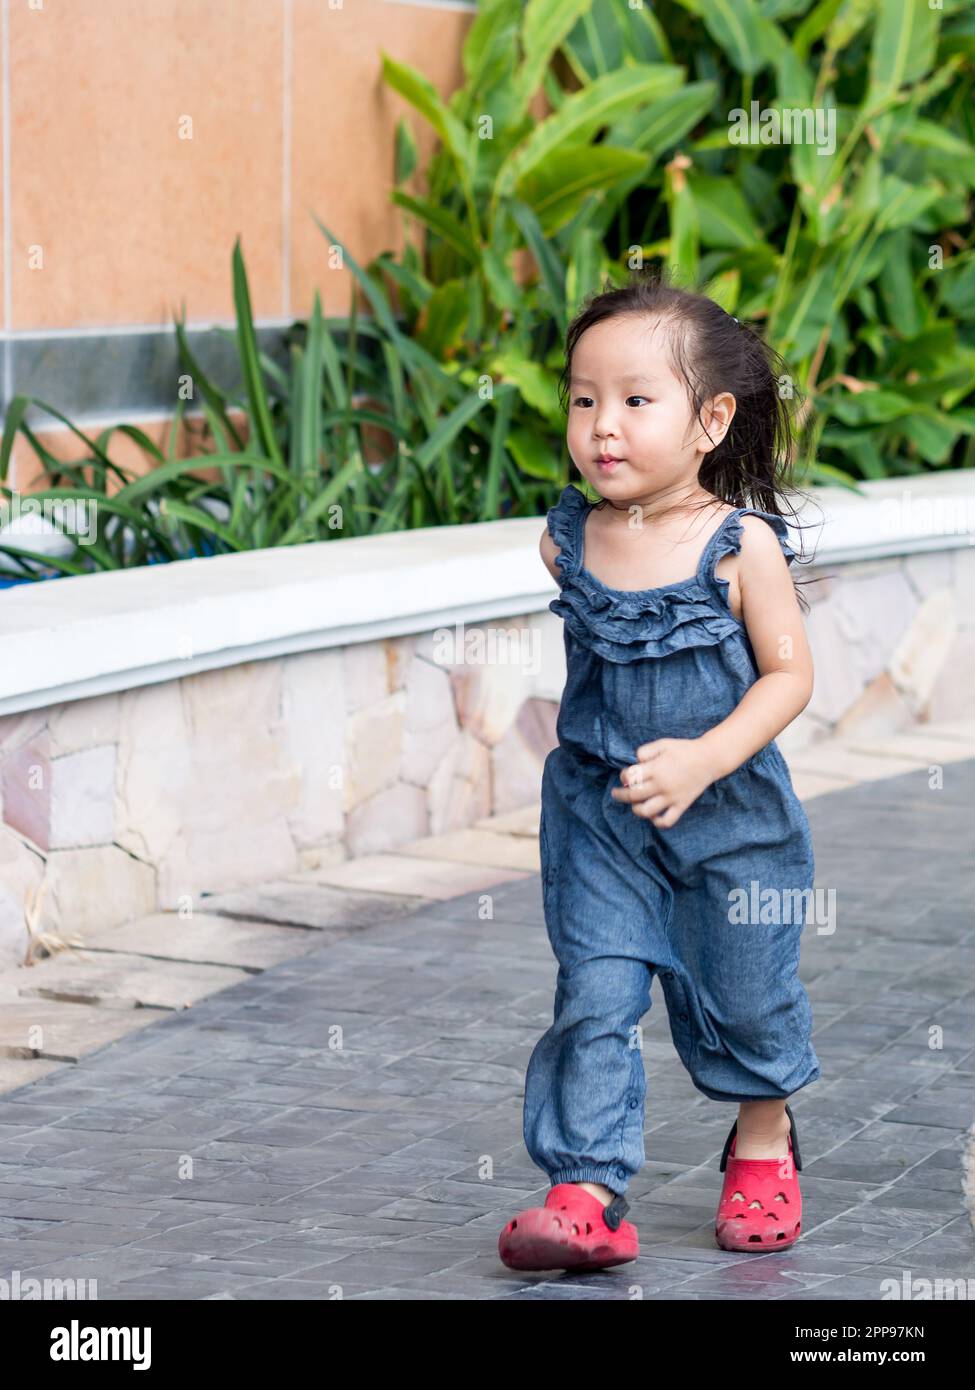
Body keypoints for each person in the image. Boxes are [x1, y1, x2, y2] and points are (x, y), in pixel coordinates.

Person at [498, 272, 821, 1273]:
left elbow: (790, 673)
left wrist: (707, 756)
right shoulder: (570, 540)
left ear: (710, 420)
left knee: (749, 995)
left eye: (638, 401)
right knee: (593, 995)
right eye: (585, 399)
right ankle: (587, 1187)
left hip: (733, 823)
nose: (604, 426)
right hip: (602, 823)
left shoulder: (739, 548)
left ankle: (762, 1136)